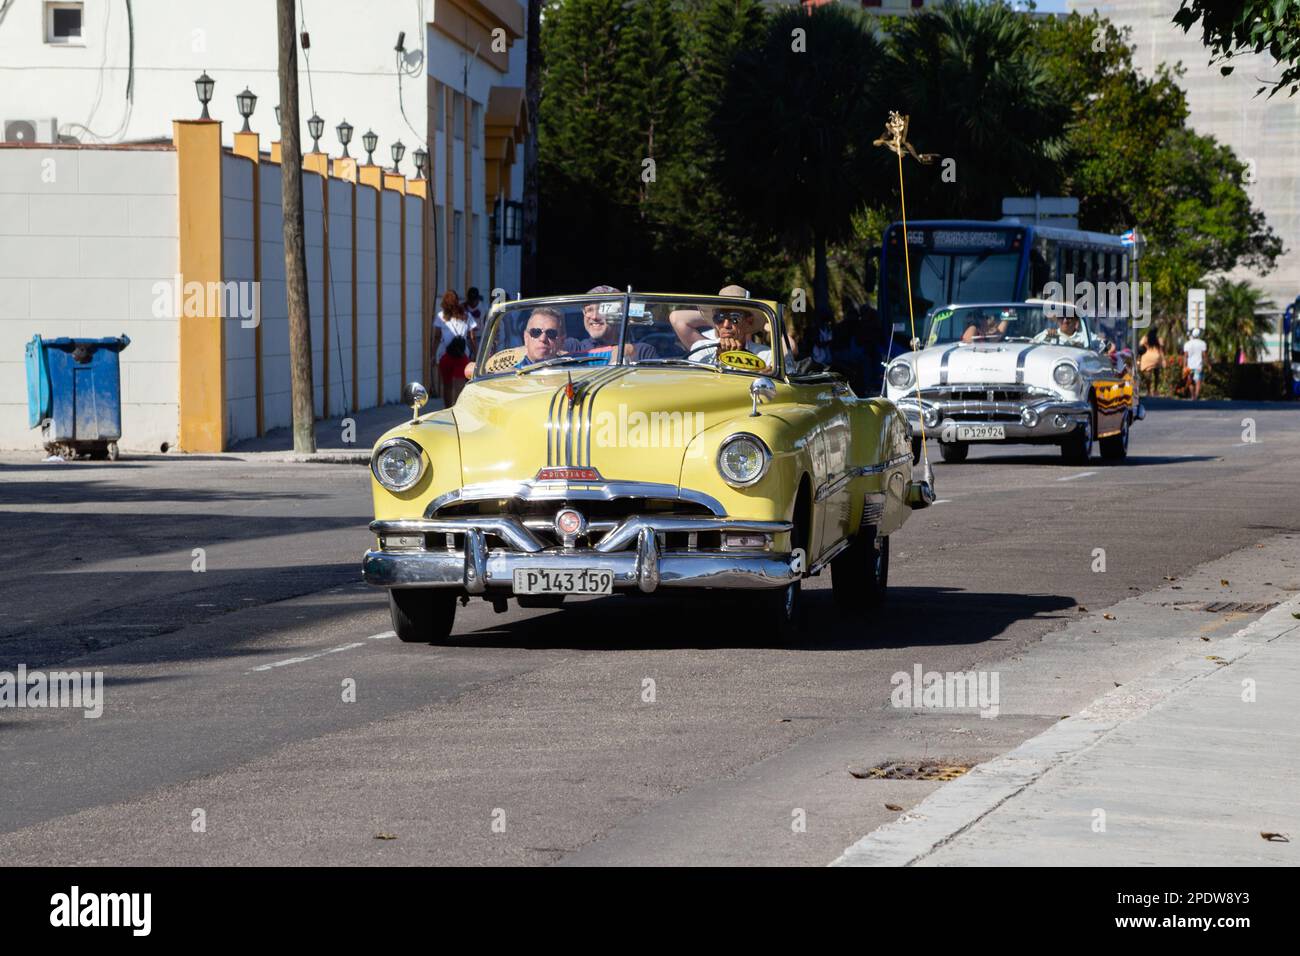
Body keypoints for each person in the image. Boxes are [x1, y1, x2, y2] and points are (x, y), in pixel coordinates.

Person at [668, 284, 774, 370]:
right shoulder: (701, 349)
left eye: (734, 318)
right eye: (719, 318)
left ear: (748, 321)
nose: (726, 325)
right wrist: (719, 359)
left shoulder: (765, 356)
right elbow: (700, 383)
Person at [575, 284, 656, 361]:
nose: (594, 317)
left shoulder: (643, 351)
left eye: (602, 309)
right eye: (589, 310)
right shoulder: (574, 347)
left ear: (620, 314)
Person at [432, 290, 477, 407]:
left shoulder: (441, 317)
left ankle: (448, 409)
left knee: (447, 385)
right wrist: (477, 353)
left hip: (445, 355)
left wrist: (432, 354)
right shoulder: (466, 315)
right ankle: (458, 409)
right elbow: (472, 337)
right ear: (457, 301)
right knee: (460, 385)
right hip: (462, 355)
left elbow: (437, 337)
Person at [1183, 327, 1209, 400]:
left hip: (1189, 365)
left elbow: (1185, 356)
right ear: (1199, 335)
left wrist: (1184, 366)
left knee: (1190, 381)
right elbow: (1204, 355)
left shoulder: (1187, 344)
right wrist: (1208, 364)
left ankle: (1192, 395)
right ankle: (1196, 396)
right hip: (1198, 365)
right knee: (1198, 381)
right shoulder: (1202, 343)